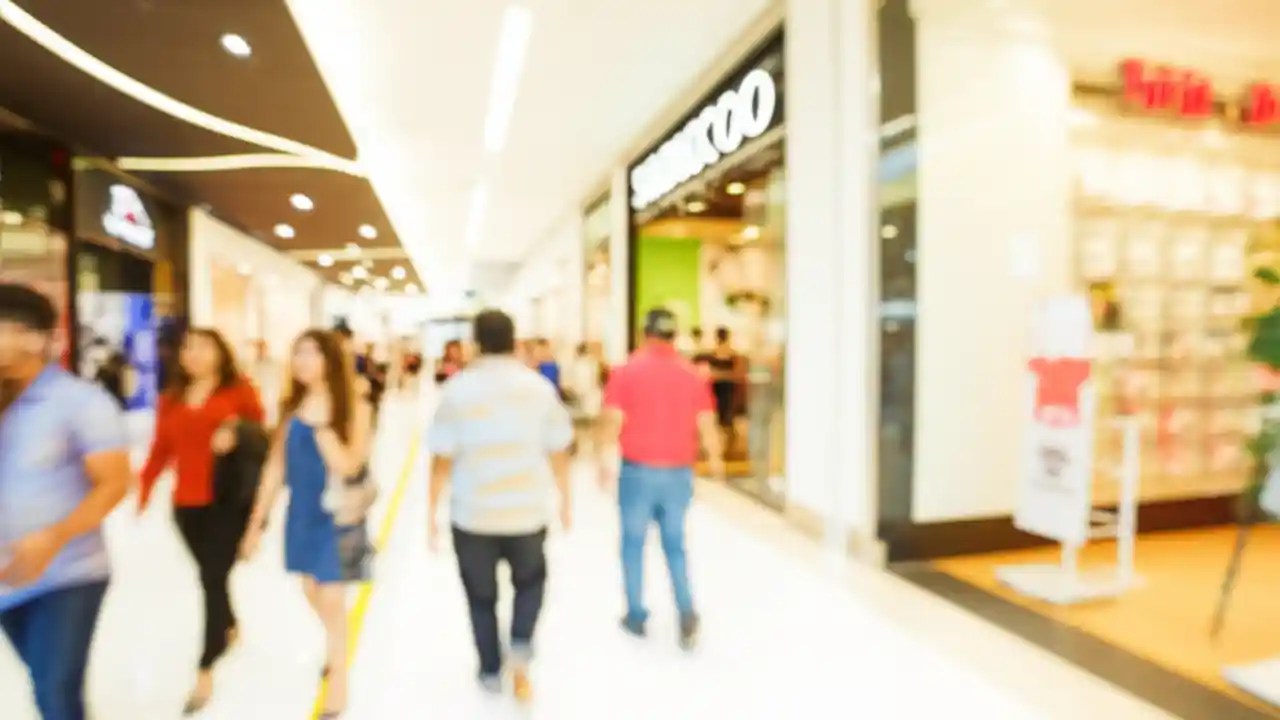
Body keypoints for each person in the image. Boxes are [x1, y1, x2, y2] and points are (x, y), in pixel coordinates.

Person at [0, 283, 132, 720]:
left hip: (69, 573)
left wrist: (54, 537)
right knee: (44, 683)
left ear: (34, 337)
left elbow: (113, 484)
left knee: (55, 691)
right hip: (8, 577)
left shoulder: (79, 401)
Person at [428, 309, 573, 703]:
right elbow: (559, 449)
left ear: (476, 343)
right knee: (531, 582)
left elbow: (442, 456)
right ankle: (521, 644)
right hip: (526, 512)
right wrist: (565, 499)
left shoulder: (458, 390)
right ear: (514, 340)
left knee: (480, 597)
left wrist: (430, 513)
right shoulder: (538, 388)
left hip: (472, 514)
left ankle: (491, 669)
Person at [240, 330, 373, 719]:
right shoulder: (290, 408)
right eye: (298, 352)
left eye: (313, 353)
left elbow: (350, 465)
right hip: (301, 514)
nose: (303, 360)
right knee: (311, 590)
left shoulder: (353, 407)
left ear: (331, 360)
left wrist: (322, 429)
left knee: (332, 599)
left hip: (339, 514)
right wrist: (256, 522)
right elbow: (275, 467)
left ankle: (339, 678)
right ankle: (336, 645)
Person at [138, 328, 265, 713]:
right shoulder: (171, 399)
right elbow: (162, 449)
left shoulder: (239, 391)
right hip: (186, 506)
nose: (193, 354)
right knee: (214, 577)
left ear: (220, 353)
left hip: (228, 503)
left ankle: (205, 668)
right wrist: (144, 488)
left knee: (210, 580)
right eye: (187, 346)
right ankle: (230, 622)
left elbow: (264, 440)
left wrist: (236, 432)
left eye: (203, 347)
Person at [597, 308, 723, 651]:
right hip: (678, 472)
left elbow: (612, 420)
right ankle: (686, 611)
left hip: (637, 471)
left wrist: (603, 458)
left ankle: (636, 615)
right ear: (674, 335)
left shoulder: (626, 371)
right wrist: (716, 464)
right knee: (675, 544)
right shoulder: (692, 375)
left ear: (644, 332)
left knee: (633, 543)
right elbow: (707, 423)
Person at [567, 342, 605, 455]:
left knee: (583, 425)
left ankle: (585, 446)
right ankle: (593, 446)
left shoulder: (576, 365)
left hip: (582, 396)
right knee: (592, 422)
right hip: (590, 395)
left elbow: (571, 383)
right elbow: (595, 380)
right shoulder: (591, 364)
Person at [707, 327, 739, 457]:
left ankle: (726, 440)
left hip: (722, 384)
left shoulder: (716, 352)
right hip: (724, 385)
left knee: (723, 410)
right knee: (724, 410)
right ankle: (726, 440)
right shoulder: (729, 352)